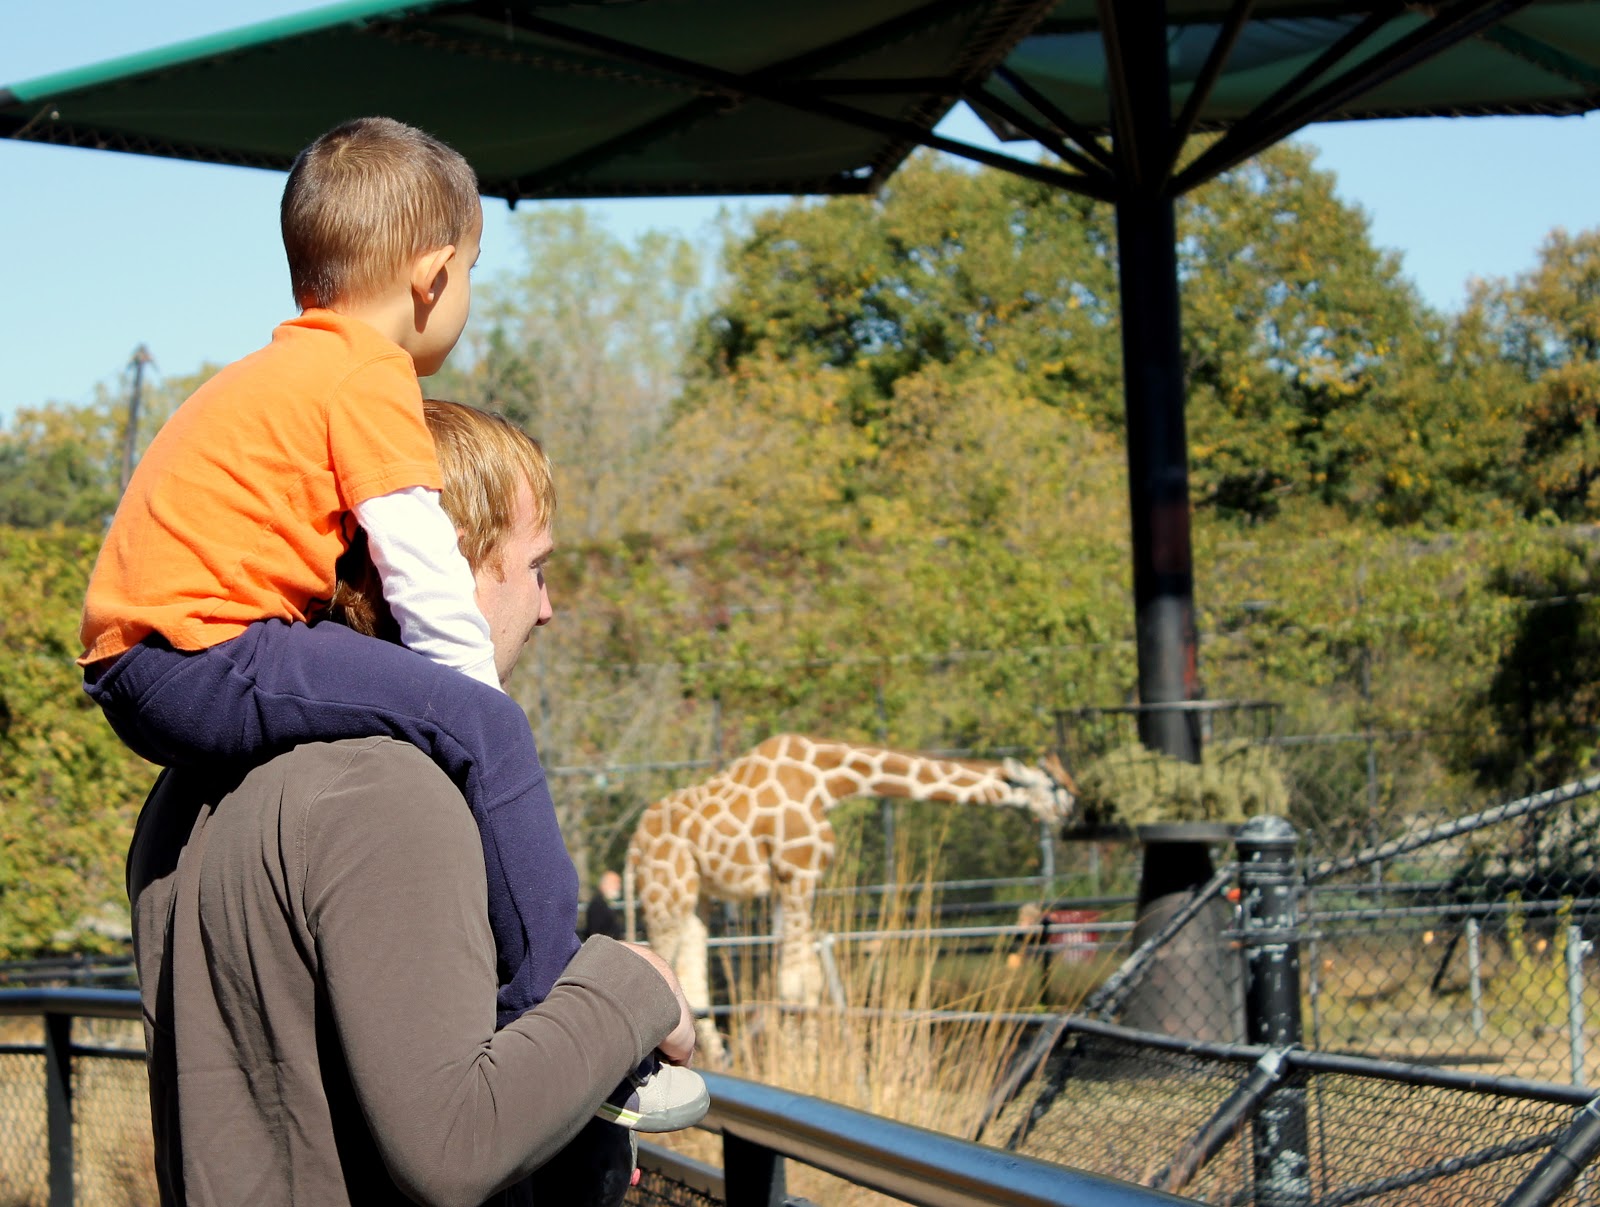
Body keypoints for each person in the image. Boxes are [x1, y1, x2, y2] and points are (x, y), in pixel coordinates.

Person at [79, 118, 701, 1132]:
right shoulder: (367, 374)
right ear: (435, 275)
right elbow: (419, 553)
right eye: (472, 278)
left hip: (140, 664)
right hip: (204, 649)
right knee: (483, 730)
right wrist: (471, 706)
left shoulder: (268, 373)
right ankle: (571, 1015)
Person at [127, 399, 698, 1206]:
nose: (546, 606)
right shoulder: (389, 793)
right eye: (535, 567)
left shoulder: (189, 790)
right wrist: (635, 988)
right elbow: (453, 1146)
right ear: (441, 569)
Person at [584, 870, 627, 941]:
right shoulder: (597, 905)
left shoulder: (604, 903)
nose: (619, 887)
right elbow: (595, 933)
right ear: (605, 884)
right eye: (616, 883)